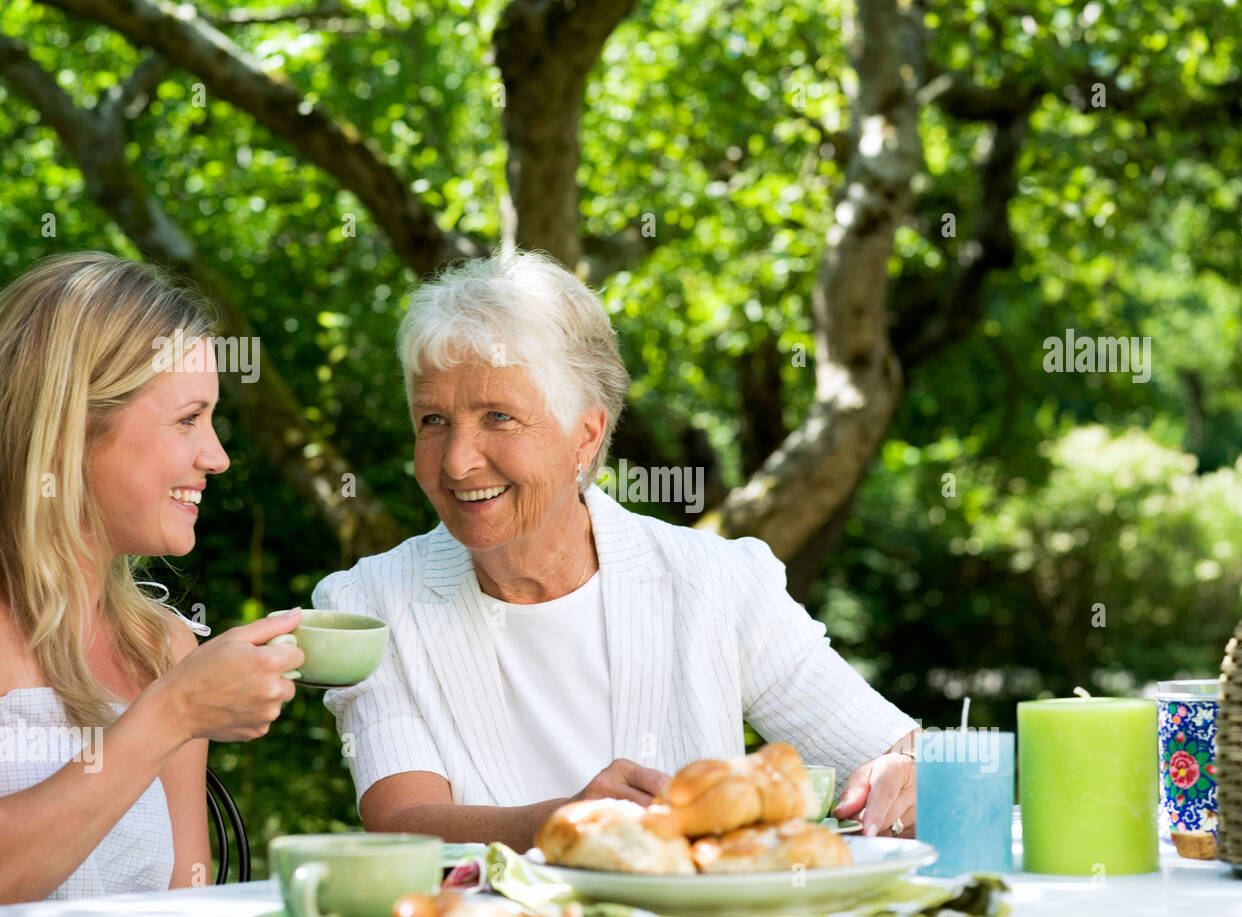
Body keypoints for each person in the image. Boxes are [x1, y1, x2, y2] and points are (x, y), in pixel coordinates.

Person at [315, 250, 920, 853]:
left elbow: (895, 753)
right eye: (433, 420)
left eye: (498, 417)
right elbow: (404, 826)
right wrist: (567, 822)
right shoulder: (372, 604)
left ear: (586, 435)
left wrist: (906, 772)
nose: (456, 460)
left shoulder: (717, 581)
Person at [0, 252, 305, 917]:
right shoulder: (173, 686)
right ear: (74, 424)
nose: (218, 456)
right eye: (189, 419)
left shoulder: (161, 647)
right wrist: (169, 713)